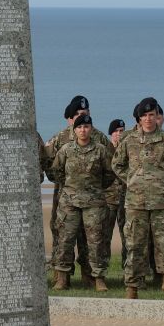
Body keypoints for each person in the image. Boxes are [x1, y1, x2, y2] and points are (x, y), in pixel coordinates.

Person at [112, 98, 164, 301]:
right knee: (135, 246)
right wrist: (132, 180)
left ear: (157, 117)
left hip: (163, 204)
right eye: (144, 116)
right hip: (136, 203)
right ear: (139, 119)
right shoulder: (129, 141)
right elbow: (117, 165)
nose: (148, 119)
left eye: (152, 115)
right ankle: (132, 288)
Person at [43, 95, 113, 287]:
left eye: (85, 113)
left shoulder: (99, 140)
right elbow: (51, 166)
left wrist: (97, 187)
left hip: (93, 198)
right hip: (67, 197)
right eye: (78, 115)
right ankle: (62, 276)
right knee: (64, 236)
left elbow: (110, 168)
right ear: (70, 119)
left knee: (92, 238)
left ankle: (91, 276)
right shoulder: (60, 140)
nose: (82, 125)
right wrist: (67, 184)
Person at [105, 119, 126, 268]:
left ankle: (128, 268)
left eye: (122, 131)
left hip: (126, 199)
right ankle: (103, 269)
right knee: (105, 236)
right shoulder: (104, 150)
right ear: (111, 133)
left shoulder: (128, 149)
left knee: (128, 237)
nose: (119, 134)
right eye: (116, 131)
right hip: (108, 199)